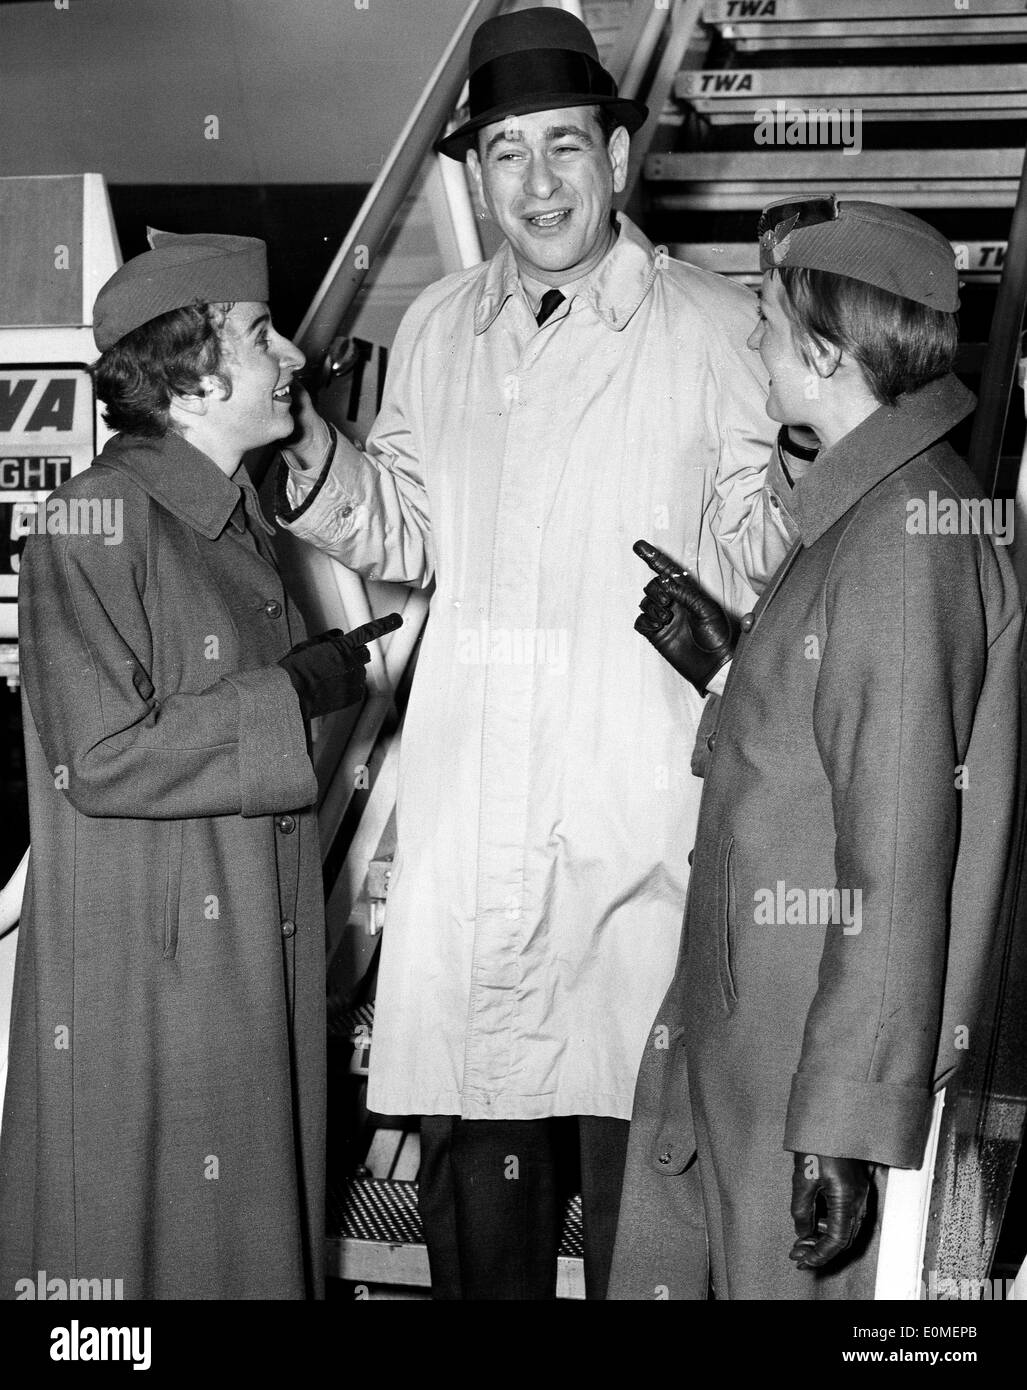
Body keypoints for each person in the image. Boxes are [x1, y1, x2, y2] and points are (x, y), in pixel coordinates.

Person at [275, 8, 792, 1300]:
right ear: (473, 173)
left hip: (638, 823)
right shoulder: (443, 331)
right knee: (478, 1206)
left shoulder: (716, 327)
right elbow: (399, 524)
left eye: (565, 146)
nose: (538, 183)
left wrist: (807, 466)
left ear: (616, 158)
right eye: (505, 154)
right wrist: (297, 445)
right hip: (474, 830)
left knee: (643, 1197)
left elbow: (771, 554)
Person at [608, 197, 1022, 1299]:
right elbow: (818, 746)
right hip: (767, 1034)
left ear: (828, 353)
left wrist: (842, 1119)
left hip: (804, 1058)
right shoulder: (871, 512)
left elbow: (893, 849)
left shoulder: (895, 541)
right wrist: (730, 664)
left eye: (769, 324)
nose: (752, 343)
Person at [0, 230, 399, 1299]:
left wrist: (301, 687)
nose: (294, 360)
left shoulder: (222, 515)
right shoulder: (95, 518)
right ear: (192, 372)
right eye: (261, 334)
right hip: (153, 971)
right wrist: (289, 696)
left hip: (214, 956)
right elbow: (101, 755)